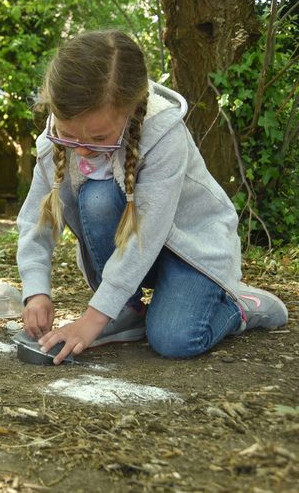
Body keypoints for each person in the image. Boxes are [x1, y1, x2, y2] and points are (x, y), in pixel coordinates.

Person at [17, 30, 288, 365]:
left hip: (193, 252)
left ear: (131, 110)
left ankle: (238, 304)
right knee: (97, 197)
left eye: (99, 137)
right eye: (70, 136)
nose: (83, 149)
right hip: (138, 254)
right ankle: (127, 311)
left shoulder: (163, 135)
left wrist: (93, 318)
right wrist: (36, 290)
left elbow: (147, 232)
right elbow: (36, 220)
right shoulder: (54, 140)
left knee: (175, 339)